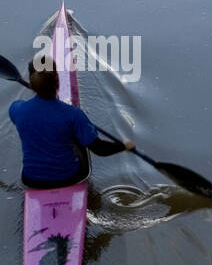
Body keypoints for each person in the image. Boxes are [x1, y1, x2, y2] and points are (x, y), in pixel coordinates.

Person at [9, 59, 134, 189]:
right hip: (69, 178)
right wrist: (123, 146)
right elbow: (99, 149)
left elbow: (34, 114)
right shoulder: (74, 114)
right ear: (57, 82)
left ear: (32, 83)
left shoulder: (17, 109)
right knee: (78, 134)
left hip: (31, 180)